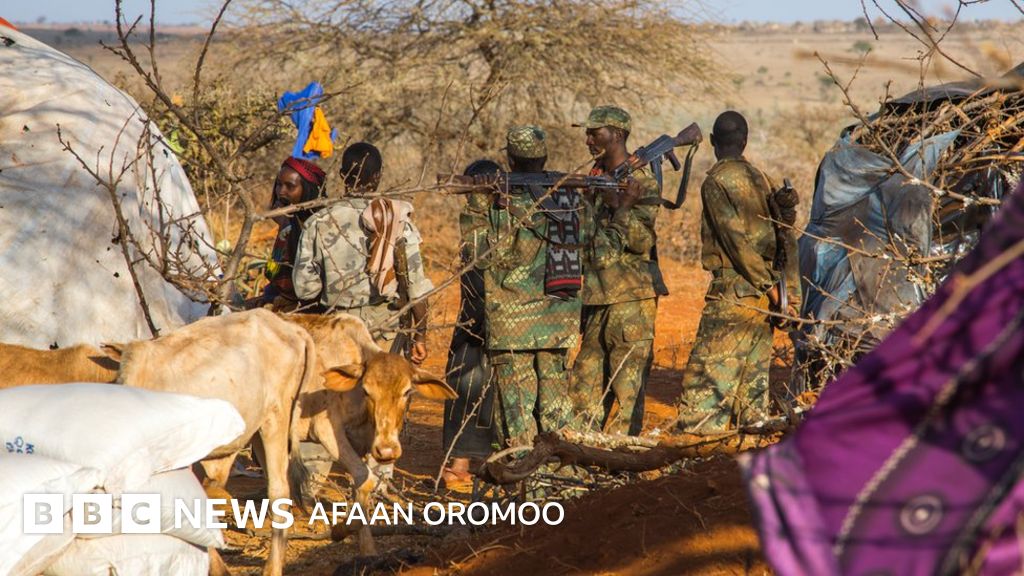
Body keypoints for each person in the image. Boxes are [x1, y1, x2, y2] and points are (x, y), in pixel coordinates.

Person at [676, 110, 799, 433]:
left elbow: (736, 243)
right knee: (751, 398)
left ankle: (693, 469)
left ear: (714, 142)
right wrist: (784, 295)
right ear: (744, 142)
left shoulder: (716, 182)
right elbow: (786, 237)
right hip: (764, 303)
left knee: (704, 397)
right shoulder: (763, 179)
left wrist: (771, 288)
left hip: (736, 296)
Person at [484, 126, 582, 448]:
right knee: (556, 412)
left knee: (517, 415)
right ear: (545, 159)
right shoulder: (570, 197)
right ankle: (561, 483)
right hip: (557, 318)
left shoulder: (494, 201)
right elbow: (597, 249)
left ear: (510, 159)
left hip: (510, 326)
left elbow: (474, 255)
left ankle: (524, 483)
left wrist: (482, 202)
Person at [292, 142, 432, 363]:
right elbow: (417, 288)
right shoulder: (396, 219)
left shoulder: (317, 223)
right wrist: (420, 336)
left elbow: (305, 290)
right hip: (385, 331)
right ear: (377, 176)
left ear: (341, 175)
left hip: (338, 330)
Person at [570, 105, 662, 436]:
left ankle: (621, 475)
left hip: (630, 302)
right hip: (595, 298)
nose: (587, 139)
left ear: (618, 135)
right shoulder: (594, 178)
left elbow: (640, 241)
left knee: (627, 395)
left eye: (595, 133)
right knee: (583, 394)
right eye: (587, 133)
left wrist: (617, 206)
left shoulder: (642, 182)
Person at [441, 159, 500, 488]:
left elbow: (479, 275)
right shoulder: (509, 217)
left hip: (479, 317)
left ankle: (461, 463)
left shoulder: (481, 223)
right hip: (486, 316)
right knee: (477, 386)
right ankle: (470, 461)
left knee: (467, 384)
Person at [253, 156, 327, 309]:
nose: (281, 191)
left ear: (307, 190)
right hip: (278, 297)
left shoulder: (316, 225)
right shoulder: (289, 221)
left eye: (290, 186)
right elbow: (273, 273)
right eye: (278, 185)